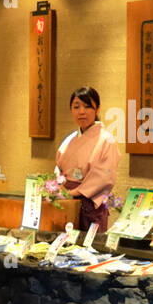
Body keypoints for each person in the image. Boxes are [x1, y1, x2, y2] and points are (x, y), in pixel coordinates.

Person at [55, 86, 120, 232]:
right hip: (66, 203)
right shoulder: (70, 139)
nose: (81, 112)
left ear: (97, 109)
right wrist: (60, 189)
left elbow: (104, 177)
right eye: (76, 107)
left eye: (87, 106)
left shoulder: (106, 140)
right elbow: (58, 168)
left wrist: (75, 192)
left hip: (90, 203)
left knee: (88, 250)